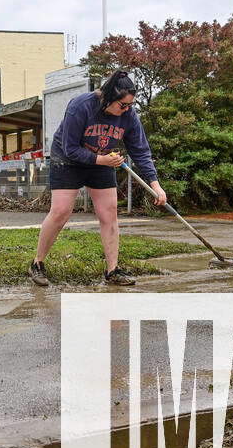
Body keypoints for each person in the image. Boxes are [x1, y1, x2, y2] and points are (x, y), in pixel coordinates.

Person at [29, 69, 166, 287]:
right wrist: (102, 160)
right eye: (122, 105)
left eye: (130, 105)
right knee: (61, 211)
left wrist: (155, 185)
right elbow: (70, 148)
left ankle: (113, 270)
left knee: (109, 213)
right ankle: (37, 263)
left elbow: (140, 150)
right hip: (68, 160)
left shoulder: (128, 115)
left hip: (102, 160)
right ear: (107, 98)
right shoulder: (80, 106)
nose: (127, 110)